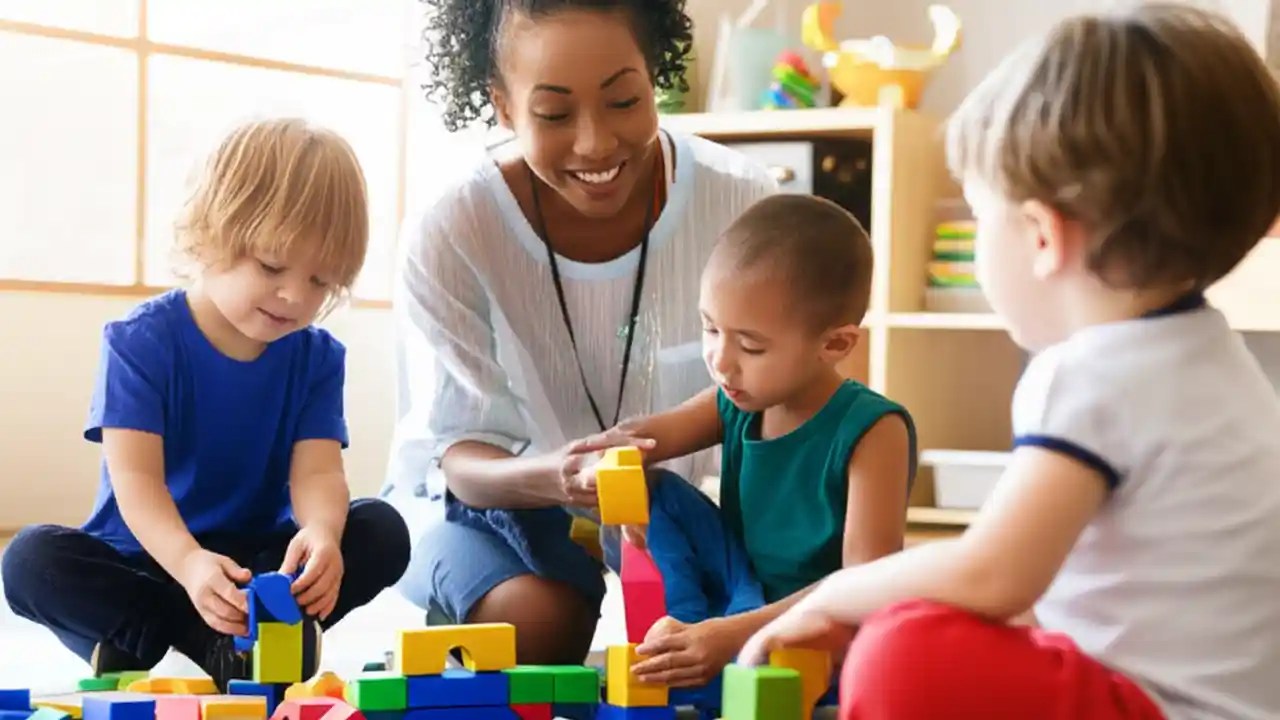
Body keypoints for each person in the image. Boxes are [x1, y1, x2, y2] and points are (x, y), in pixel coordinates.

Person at [738, 5, 1280, 720]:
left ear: (1041, 237)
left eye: (976, 212)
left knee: (903, 647)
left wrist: (839, 595)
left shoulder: (1092, 375)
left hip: (1154, 705)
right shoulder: (1217, 361)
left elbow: (994, 575)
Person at [385, 0, 778, 664]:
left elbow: (790, 397)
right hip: (484, 506)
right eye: (555, 114)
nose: (596, 143)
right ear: (504, 108)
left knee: (750, 637)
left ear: (654, 74)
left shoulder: (742, 201)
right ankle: (459, 620)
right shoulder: (453, 229)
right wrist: (556, 477)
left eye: (624, 100)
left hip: (674, 514)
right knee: (535, 628)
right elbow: (461, 463)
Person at [2, 118, 411, 690]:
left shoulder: (316, 356)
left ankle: (195, 638)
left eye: (321, 281)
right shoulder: (140, 341)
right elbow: (137, 481)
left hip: (254, 562)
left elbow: (318, 470)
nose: (295, 296)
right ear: (211, 234)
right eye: (271, 267)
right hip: (148, 554)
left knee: (382, 529)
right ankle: (211, 641)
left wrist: (321, 532)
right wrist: (190, 564)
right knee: (30, 560)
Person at [591, 194, 916, 692]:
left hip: (812, 621)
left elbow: (861, 587)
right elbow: (640, 440)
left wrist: (733, 634)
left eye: (750, 346)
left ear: (835, 344)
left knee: (836, 660)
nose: (721, 361)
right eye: (710, 328)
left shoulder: (874, 430)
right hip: (736, 588)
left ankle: (706, 651)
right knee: (656, 488)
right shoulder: (737, 396)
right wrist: (612, 469)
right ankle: (679, 638)